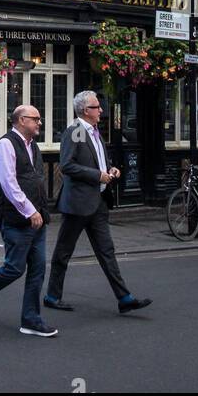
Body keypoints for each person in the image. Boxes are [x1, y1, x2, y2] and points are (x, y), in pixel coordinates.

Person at [44, 91, 152, 316]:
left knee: (107, 251)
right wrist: (97, 175)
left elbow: (98, 161)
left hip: (99, 202)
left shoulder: (94, 131)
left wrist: (110, 169)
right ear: (86, 110)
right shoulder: (76, 131)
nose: (101, 110)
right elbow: (67, 165)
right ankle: (52, 296)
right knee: (64, 251)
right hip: (78, 203)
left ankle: (124, 298)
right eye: (97, 107)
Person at [0, 104, 57, 337]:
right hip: (16, 218)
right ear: (21, 120)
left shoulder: (32, 145)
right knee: (14, 268)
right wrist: (30, 211)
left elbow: (35, 179)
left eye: (39, 119)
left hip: (38, 218)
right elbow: (9, 184)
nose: (39, 122)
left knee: (38, 269)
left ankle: (31, 320)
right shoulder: (6, 144)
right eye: (35, 119)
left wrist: (41, 211)